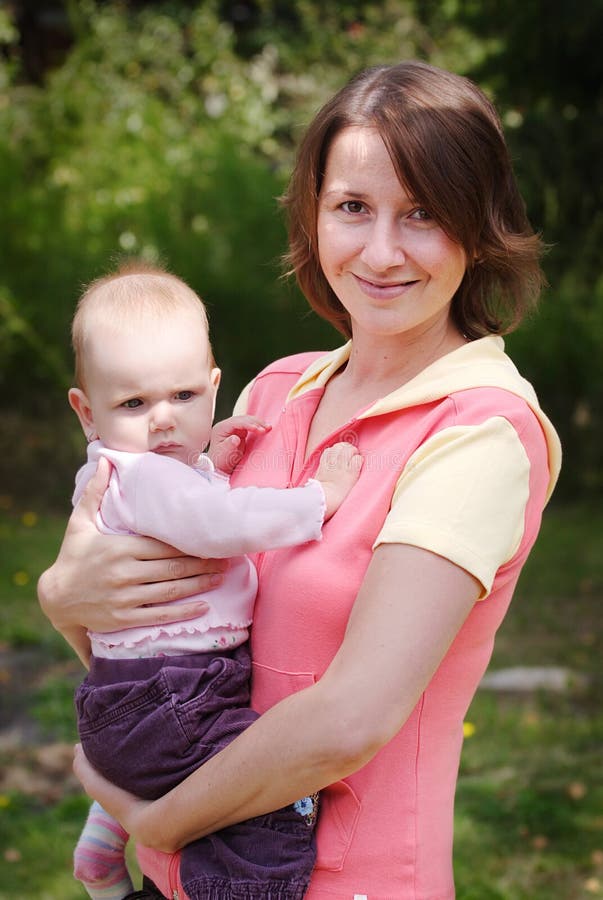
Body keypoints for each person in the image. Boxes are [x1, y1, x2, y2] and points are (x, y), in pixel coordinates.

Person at [39, 60, 562, 899]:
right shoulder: (277, 392)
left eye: (422, 213)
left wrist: (151, 820)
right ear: (313, 216)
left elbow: (349, 719)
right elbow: (171, 627)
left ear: (479, 224)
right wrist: (65, 598)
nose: (382, 251)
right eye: (353, 207)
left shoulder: (478, 433)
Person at [64, 261, 362, 900]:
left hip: (139, 698)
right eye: (134, 403)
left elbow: (186, 506)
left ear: (213, 385)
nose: (163, 420)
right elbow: (214, 526)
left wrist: (209, 464)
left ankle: (102, 835)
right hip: (173, 696)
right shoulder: (143, 475)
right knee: (267, 798)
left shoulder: (132, 469)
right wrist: (318, 498)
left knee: (195, 767)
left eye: (184, 397)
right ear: (88, 412)